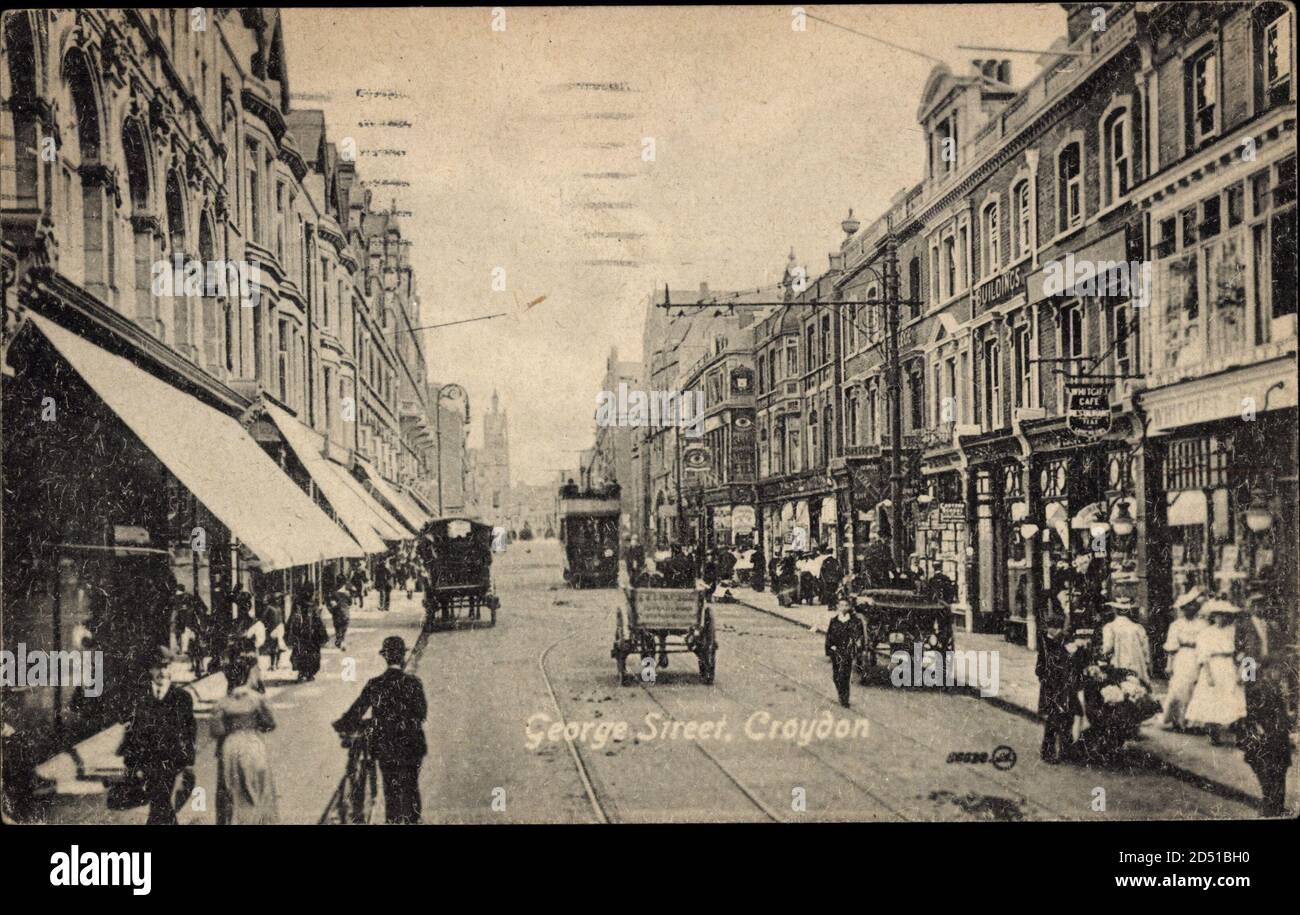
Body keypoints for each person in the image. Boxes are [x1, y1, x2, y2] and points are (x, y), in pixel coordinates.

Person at [333, 636, 428, 824]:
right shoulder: (413, 683)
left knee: (390, 790)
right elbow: (421, 713)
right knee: (410, 785)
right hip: (412, 745)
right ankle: (413, 820)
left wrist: (343, 724)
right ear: (402, 657)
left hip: (386, 746)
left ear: (385, 657)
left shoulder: (375, 684)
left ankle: (392, 820)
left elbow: (355, 712)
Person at [119, 647, 196, 825]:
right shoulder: (139, 697)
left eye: (165, 667)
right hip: (147, 762)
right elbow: (132, 731)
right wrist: (131, 763)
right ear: (149, 670)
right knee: (160, 804)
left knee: (159, 802)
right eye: (156, 667)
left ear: (171, 668)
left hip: (172, 762)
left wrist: (189, 763)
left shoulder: (182, 697)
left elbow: (189, 730)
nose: (161, 672)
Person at [1238, 589, 1293, 816]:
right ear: (1249, 606)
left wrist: (1275, 672)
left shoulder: (1273, 627)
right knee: (1257, 751)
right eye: (1255, 603)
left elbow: (1281, 656)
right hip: (1255, 692)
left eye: (1262, 603)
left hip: (1273, 691)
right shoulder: (1243, 627)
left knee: (1277, 752)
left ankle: (1274, 802)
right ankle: (1269, 798)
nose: (1259, 607)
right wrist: (1250, 685)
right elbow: (1243, 656)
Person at [211, 653, 278, 825]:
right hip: (252, 744)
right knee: (256, 788)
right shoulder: (257, 700)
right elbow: (270, 723)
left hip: (230, 747)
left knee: (231, 791)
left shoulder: (222, 703)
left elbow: (216, 730)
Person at [1185, 600, 1248, 745]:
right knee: (1212, 700)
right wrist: (1208, 675)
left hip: (1229, 666)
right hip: (1213, 666)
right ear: (1213, 616)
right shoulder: (1206, 633)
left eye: (1225, 615)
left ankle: (1238, 733)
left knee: (1234, 699)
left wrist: (1241, 669)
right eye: (1218, 615)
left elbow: (1241, 651)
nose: (1222, 618)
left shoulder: (1232, 631)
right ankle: (1214, 733)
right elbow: (1203, 656)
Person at [1036, 613, 1082, 763]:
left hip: (1065, 685)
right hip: (1052, 685)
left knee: (1068, 717)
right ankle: (1047, 752)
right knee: (1053, 719)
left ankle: (1066, 751)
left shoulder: (1065, 640)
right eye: (1052, 628)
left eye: (1057, 628)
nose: (1055, 631)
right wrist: (1044, 677)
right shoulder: (1044, 641)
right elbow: (1041, 663)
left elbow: (1074, 659)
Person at [1161, 587, 1207, 731]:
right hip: (1182, 657)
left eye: (1192, 606)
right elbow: (1172, 646)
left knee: (1196, 687)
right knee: (1179, 687)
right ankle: (1178, 720)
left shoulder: (1202, 624)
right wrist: (1169, 664)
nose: (1189, 609)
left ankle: (1193, 721)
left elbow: (1206, 642)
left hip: (1197, 656)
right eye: (1185, 607)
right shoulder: (1176, 625)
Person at [1100, 597, 1151, 687]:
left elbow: (1107, 648)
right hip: (1137, 666)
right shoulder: (1137, 628)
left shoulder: (1110, 627)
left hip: (1119, 666)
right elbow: (1146, 651)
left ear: (1115, 610)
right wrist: (1147, 664)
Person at [824, 597, 864, 708]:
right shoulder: (834, 621)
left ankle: (844, 698)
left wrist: (855, 649)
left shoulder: (855, 621)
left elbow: (857, 637)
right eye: (841, 605)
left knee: (845, 675)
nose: (843, 608)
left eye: (846, 605)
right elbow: (829, 635)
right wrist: (829, 648)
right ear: (838, 606)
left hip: (847, 651)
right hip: (836, 651)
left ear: (850, 607)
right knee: (836, 675)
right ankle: (841, 692)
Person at [287, 598, 328, 682]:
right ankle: (310, 674)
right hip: (312, 636)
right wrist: (323, 635)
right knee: (312, 655)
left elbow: (291, 619)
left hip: (300, 636)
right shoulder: (313, 605)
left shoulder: (297, 604)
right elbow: (319, 621)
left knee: (300, 654)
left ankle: (301, 673)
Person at [328, 581, 351, 650]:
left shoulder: (333, 594)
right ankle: (342, 641)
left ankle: (339, 641)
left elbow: (331, 604)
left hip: (337, 614)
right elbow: (350, 603)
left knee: (337, 628)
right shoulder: (346, 594)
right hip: (346, 614)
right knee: (344, 628)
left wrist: (331, 611)